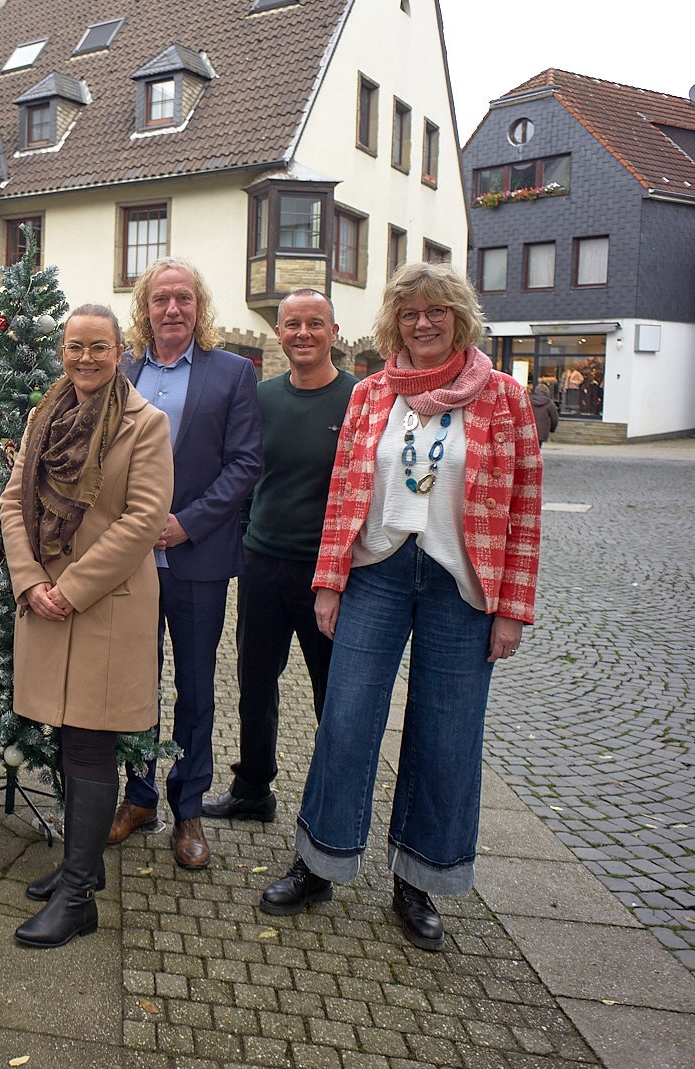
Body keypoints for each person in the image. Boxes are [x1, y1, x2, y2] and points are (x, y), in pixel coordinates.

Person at [260, 261, 542, 952]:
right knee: (347, 719)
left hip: (460, 580)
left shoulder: (504, 397)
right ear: (395, 321)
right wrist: (328, 581)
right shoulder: (371, 395)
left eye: (437, 310)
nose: (423, 322)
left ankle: (418, 879)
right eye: (411, 312)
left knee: (445, 734)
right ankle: (320, 860)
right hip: (378, 571)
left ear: (459, 317)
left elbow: (525, 509)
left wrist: (511, 608)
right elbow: (343, 498)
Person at [0, 304, 174, 948]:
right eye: (75, 347)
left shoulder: (145, 424)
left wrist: (68, 590)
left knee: (93, 742)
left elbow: (144, 519)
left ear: (121, 351)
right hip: (46, 598)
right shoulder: (44, 417)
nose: (85, 358)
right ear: (62, 351)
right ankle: (82, 868)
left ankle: (77, 898)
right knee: (70, 736)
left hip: (105, 604)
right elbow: (12, 501)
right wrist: (30, 582)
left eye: (99, 347)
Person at [110, 259, 262, 870]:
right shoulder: (122, 371)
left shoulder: (233, 374)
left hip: (195, 557)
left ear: (200, 309)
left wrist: (187, 522)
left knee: (195, 689)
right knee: (134, 682)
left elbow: (245, 464)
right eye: (161, 299)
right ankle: (139, 794)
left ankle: (189, 807)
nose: (172, 309)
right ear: (144, 308)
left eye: (184, 299)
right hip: (128, 561)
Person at [205, 290, 357, 823]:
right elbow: (243, 473)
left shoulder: (358, 400)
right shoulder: (263, 397)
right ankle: (252, 789)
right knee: (255, 680)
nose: (303, 334)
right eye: (292, 324)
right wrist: (248, 534)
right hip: (263, 563)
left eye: (315, 324)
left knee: (331, 691)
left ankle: (329, 806)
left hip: (330, 574)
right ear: (278, 334)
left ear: (333, 332)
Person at [531, 381, 558, 445]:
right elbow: (554, 418)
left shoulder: (530, 401)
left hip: (530, 430)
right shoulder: (550, 403)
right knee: (538, 448)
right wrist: (552, 429)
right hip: (542, 431)